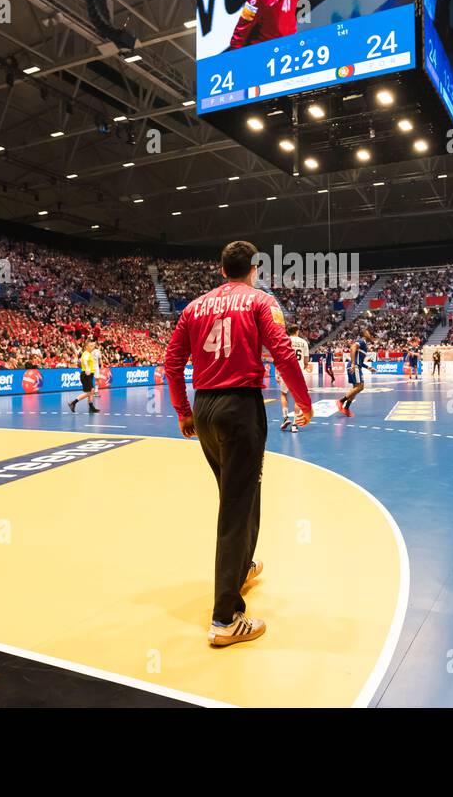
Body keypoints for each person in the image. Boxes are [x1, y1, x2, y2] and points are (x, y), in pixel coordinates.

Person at [163, 240, 313, 647]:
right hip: (240, 408)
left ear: (220, 269)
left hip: (205, 409)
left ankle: (241, 568)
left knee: (243, 495)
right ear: (255, 268)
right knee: (235, 507)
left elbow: (172, 363)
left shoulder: (194, 307)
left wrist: (183, 411)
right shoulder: (260, 302)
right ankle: (224, 619)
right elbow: (282, 352)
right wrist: (302, 398)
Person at [279, 324, 310, 432]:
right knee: (298, 397)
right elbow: (306, 361)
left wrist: (278, 372)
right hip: (298, 372)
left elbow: (280, 357)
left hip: (285, 371)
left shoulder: (284, 340)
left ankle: (285, 417)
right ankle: (295, 424)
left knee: (283, 394)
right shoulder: (304, 342)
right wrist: (304, 365)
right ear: (297, 330)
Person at [337, 330, 369, 417]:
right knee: (360, 387)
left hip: (355, 365)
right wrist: (354, 364)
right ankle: (341, 401)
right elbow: (352, 348)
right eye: (368, 332)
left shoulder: (364, 344)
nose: (369, 333)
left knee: (356, 388)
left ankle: (346, 408)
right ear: (364, 334)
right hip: (354, 366)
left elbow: (360, 361)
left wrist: (368, 367)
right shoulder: (362, 341)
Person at [68, 338, 101, 413]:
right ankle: (73, 403)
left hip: (89, 375)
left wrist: (93, 341)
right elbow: (85, 361)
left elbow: (93, 344)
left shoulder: (89, 353)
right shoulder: (86, 354)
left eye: (92, 346)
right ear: (86, 347)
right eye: (90, 346)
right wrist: (87, 368)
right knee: (89, 392)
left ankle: (91, 407)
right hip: (86, 375)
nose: (92, 347)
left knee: (91, 391)